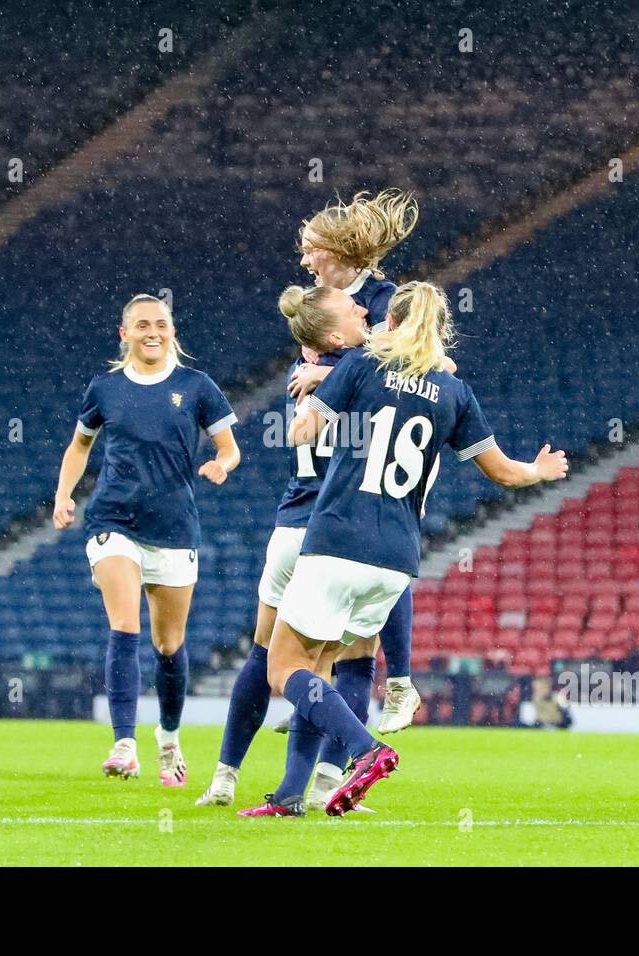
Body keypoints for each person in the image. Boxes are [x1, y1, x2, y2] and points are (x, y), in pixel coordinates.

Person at [240, 281, 569, 816]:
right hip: (396, 562)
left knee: (285, 669)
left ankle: (366, 750)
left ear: (388, 323)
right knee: (325, 670)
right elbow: (506, 473)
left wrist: (321, 386)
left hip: (338, 540)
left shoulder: (361, 364)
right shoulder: (455, 392)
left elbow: (302, 432)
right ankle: (290, 796)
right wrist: (541, 469)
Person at [197, 284, 372, 809]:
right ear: (331, 334)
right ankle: (307, 786)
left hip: (290, 526)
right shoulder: (362, 372)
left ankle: (225, 776)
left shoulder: (305, 370)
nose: (365, 312)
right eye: (353, 309)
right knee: (320, 667)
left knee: (263, 653)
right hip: (335, 534)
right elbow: (425, 368)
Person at [53, 294, 240, 785]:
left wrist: (221, 464)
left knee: (169, 646)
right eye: (142, 325)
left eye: (160, 324)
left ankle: (169, 736)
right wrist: (63, 495)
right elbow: (79, 446)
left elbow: (229, 448)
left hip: (174, 528)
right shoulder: (105, 389)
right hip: (113, 519)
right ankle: (124, 743)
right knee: (124, 626)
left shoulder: (196, 386)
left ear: (172, 331)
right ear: (125, 334)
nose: (152, 332)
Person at [289, 188, 444, 736]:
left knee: (382, 551)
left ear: (339, 249)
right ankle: (313, 683)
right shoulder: (321, 302)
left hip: (390, 443)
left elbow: (429, 364)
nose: (305, 260)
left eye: (312, 248)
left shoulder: (386, 301)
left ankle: (399, 680)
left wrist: (325, 374)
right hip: (342, 444)